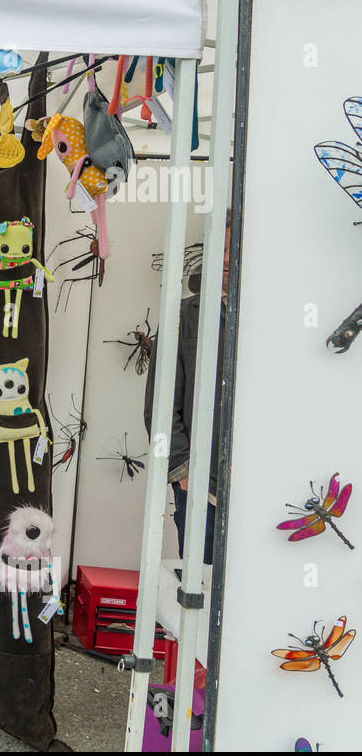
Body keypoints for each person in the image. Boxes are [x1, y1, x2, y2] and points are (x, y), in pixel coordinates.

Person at [143, 219, 230, 566]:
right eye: (218, 249)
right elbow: (159, 402)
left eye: (232, 249)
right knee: (198, 592)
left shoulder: (270, 320)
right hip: (200, 487)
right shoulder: (183, 316)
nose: (225, 259)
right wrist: (181, 470)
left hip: (258, 486)